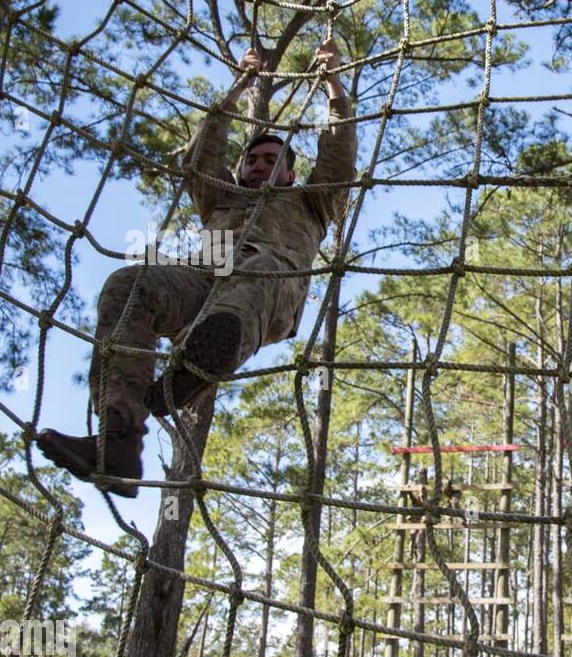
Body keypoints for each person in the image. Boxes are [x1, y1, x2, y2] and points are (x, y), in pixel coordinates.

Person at [36, 41, 357, 496]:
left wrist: (332, 85)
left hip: (270, 286)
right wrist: (238, 87)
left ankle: (197, 362)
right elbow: (202, 155)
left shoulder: (310, 201)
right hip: (206, 279)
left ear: (289, 173)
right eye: (252, 159)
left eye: (272, 161)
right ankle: (119, 442)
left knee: (258, 269)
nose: (259, 165)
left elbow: (339, 157)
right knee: (131, 283)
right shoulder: (223, 197)